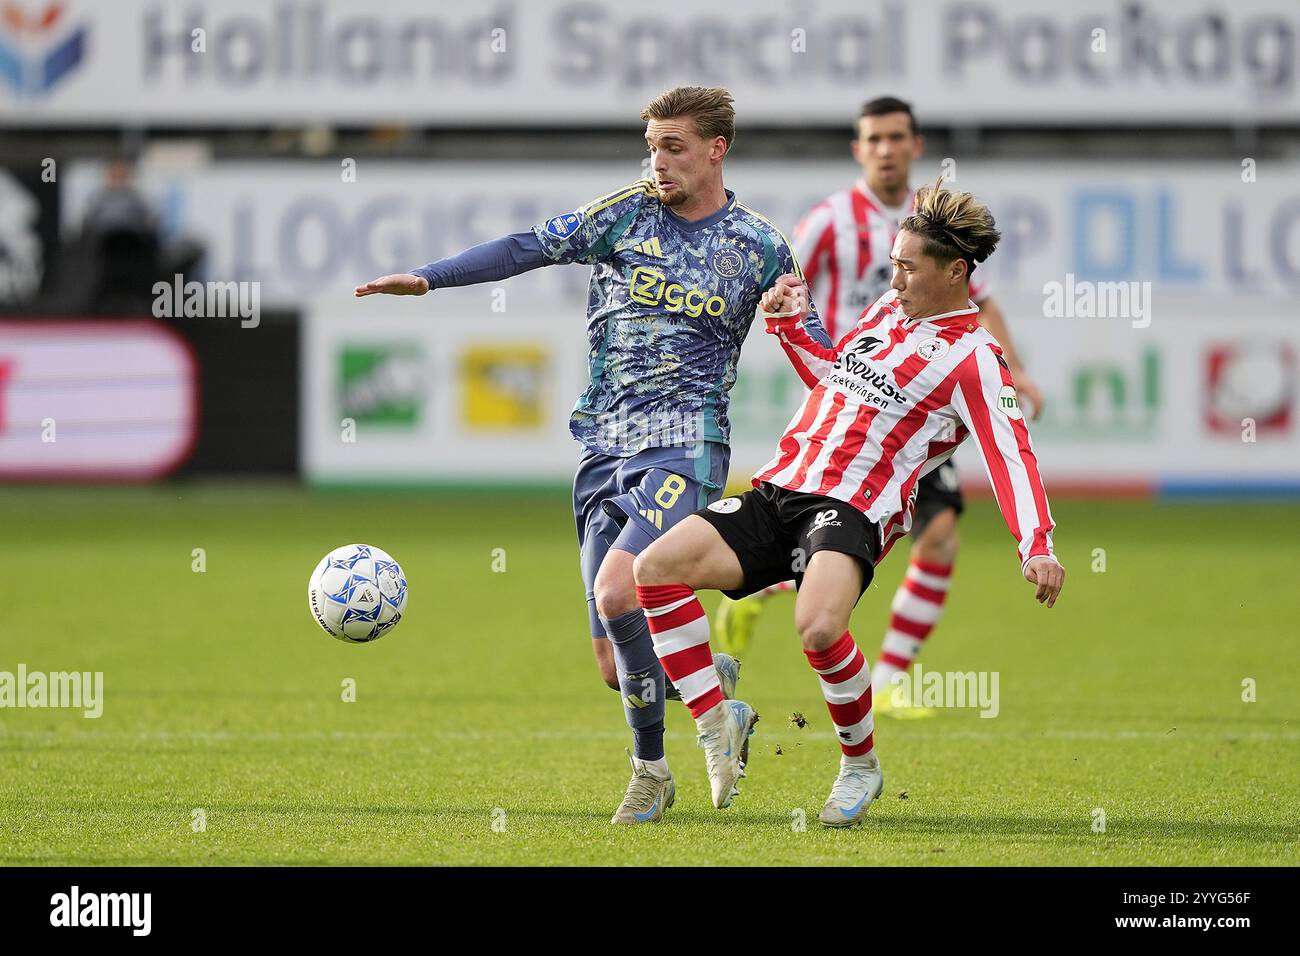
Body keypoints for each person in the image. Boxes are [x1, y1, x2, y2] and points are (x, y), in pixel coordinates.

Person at [355, 86, 822, 824]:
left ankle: (652, 772)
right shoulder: (625, 213)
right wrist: (430, 277)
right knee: (612, 665)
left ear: (715, 150)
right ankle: (707, 679)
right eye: (651, 146)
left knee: (619, 588)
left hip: (685, 444)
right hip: (602, 450)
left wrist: (793, 323)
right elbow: (525, 247)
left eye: (672, 147)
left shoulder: (761, 247)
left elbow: (820, 355)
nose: (657, 162)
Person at [633, 180, 1064, 826]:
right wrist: (786, 329)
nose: (894, 281)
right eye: (892, 264)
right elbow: (836, 381)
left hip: (853, 508)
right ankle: (718, 721)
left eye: (907, 268)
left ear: (955, 272)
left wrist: (1037, 545)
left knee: (819, 625)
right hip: (781, 486)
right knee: (654, 570)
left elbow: (1011, 454)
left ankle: (860, 764)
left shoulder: (976, 359)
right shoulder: (887, 315)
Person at [714, 97, 1045, 718]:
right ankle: (770, 588)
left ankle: (887, 677)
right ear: (858, 149)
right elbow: (781, 282)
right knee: (843, 541)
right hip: (851, 387)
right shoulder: (829, 223)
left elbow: (983, 306)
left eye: (897, 137)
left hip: (925, 401)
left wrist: (1015, 370)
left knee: (936, 537)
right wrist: (788, 326)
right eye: (874, 138)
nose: (886, 149)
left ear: (916, 146)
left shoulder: (939, 234)